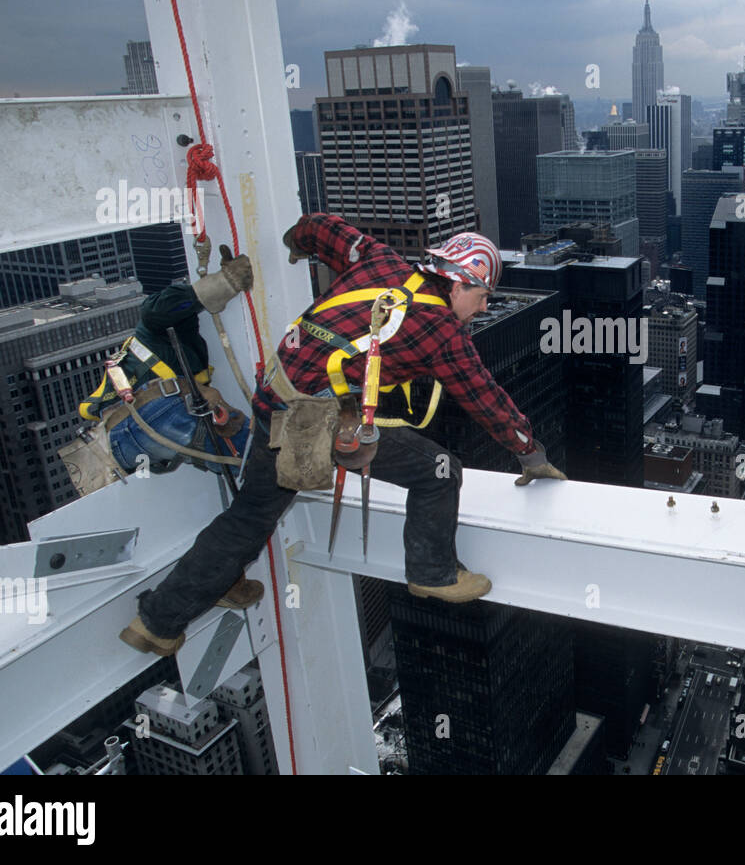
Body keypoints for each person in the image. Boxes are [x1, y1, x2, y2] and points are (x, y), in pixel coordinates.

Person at [119, 214, 566, 656]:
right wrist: (531, 454)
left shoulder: (379, 260)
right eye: (484, 296)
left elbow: (319, 227)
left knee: (251, 515)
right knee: (441, 472)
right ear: (458, 283)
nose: (484, 308)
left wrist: (298, 242)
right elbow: (486, 400)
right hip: (313, 424)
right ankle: (434, 573)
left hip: (271, 398)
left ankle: (159, 620)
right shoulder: (441, 332)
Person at [78, 251, 254, 482]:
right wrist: (224, 283)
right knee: (263, 454)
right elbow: (153, 310)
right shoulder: (153, 330)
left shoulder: (175, 355)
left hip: (125, 446)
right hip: (147, 418)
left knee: (246, 465)